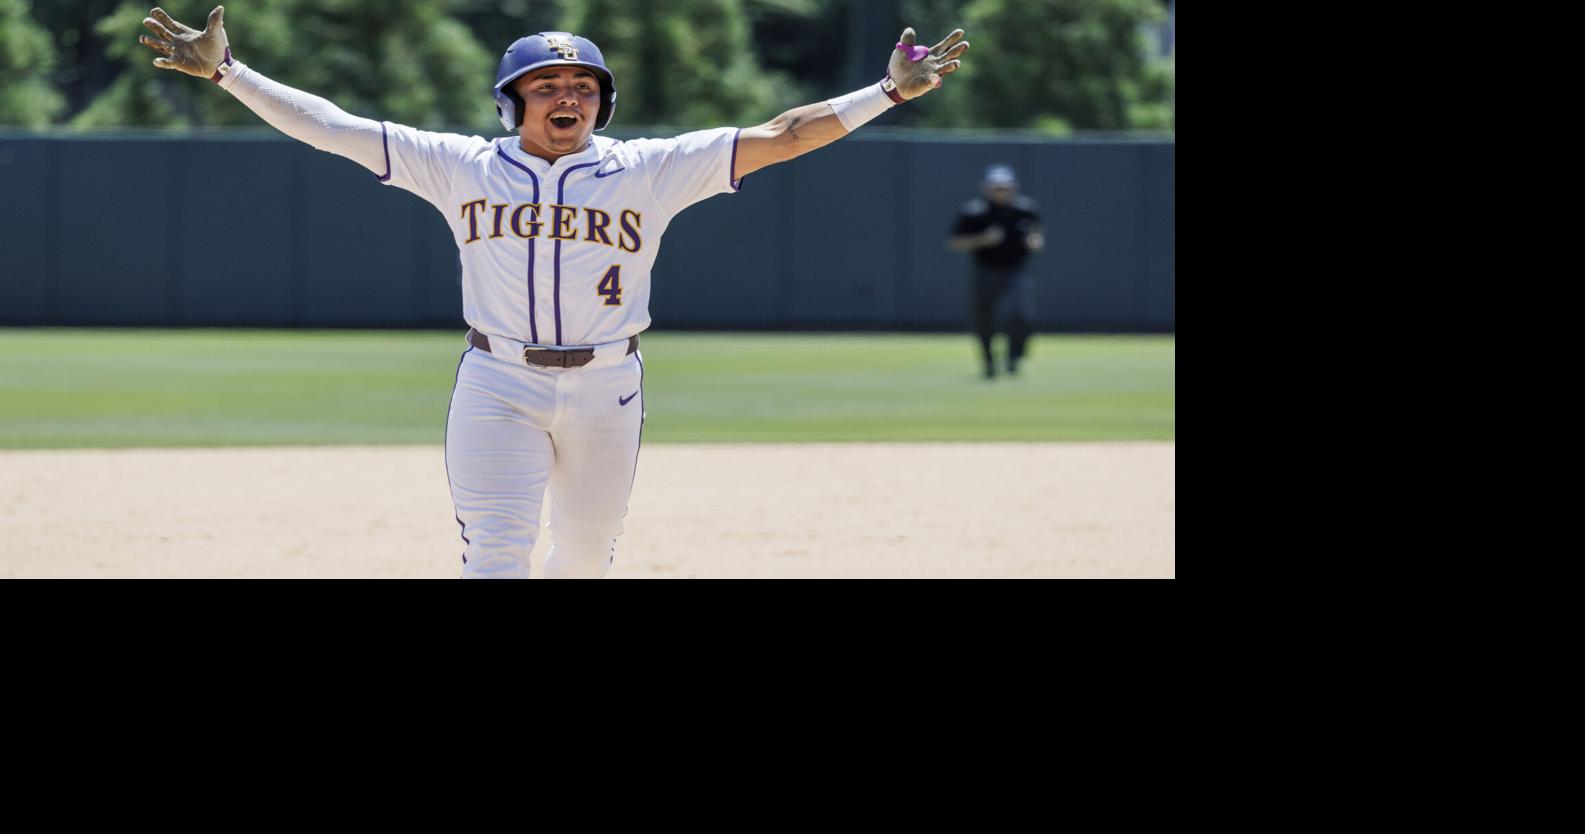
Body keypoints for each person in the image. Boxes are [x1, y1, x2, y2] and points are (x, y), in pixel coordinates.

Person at [138, 6, 969, 578]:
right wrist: (231, 75)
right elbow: (331, 126)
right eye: (547, 85)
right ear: (513, 102)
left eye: (582, 86)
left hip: (609, 384)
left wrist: (887, 92)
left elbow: (782, 136)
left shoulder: (648, 170)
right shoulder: (461, 164)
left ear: (601, 102)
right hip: (496, 381)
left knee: (582, 554)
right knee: (496, 555)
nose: (568, 96)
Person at [947, 164, 1043, 378]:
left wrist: (1034, 242)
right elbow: (955, 241)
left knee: (1020, 314)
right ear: (987, 188)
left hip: (1016, 270)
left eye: (1005, 187)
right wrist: (983, 239)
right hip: (985, 269)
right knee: (983, 318)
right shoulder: (974, 211)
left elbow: (1036, 236)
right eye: (996, 187)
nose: (1001, 191)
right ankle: (989, 361)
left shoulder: (1026, 209)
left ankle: (1014, 357)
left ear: (1013, 187)